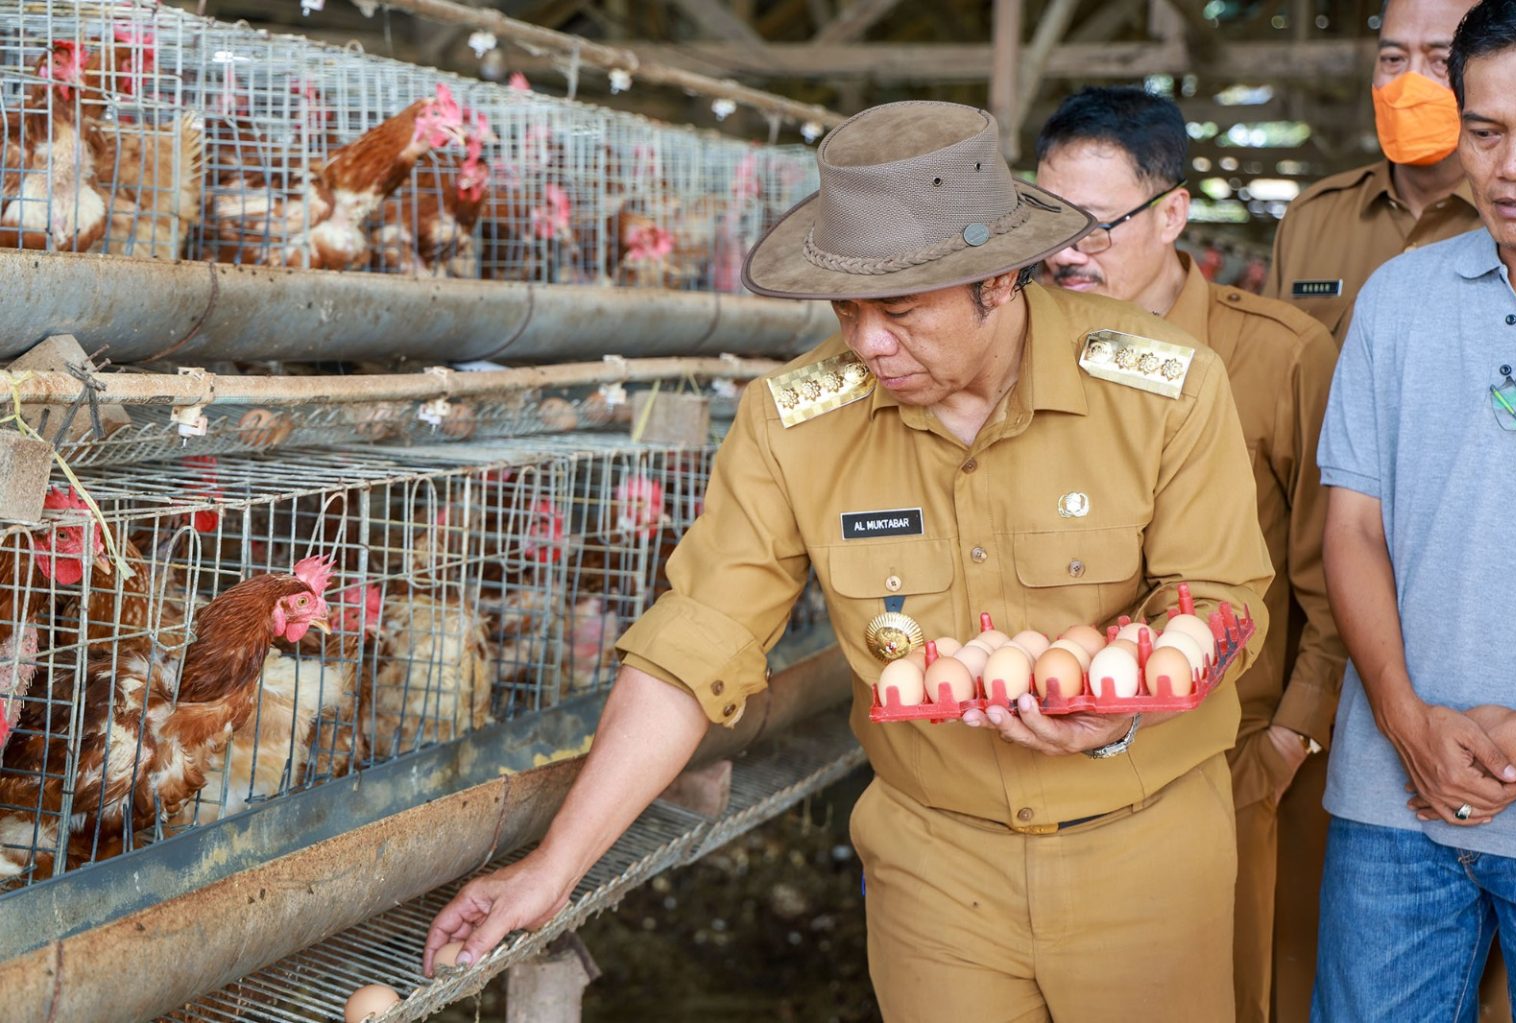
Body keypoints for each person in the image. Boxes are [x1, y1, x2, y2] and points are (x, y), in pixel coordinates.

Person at [423, 100, 1273, 1022]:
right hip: (937, 868)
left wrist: (1116, 716)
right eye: (847, 309)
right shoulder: (795, 423)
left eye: (901, 311)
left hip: (1144, 851)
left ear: (999, 281)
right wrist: (553, 868)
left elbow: (1220, 600)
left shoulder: (1162, 386)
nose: (867, 343)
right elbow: (693, 644)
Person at [1033, 86, 1344, 1023]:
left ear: (1173, 212)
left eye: (1094, 227)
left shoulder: (1280, 357)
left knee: (1234, 989)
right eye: (1048, 221)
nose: (1064, 252)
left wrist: (1289, 736)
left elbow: (1330, 567)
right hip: (1045, 741)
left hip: (1224, 753)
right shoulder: (1020, 346)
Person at [1312, 2, 1516, 1018]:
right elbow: (1351, 526)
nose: (1513, 165)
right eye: (1486, 132)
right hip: (1391, 800)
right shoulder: (1398, 295)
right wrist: (1404, 721)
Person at [1263, 0, 1483, 348]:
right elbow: (1274, 372)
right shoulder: (1312, 218)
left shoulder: (1515, 221)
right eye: (1393, 59)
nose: (1410, 83)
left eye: (1441, 61)